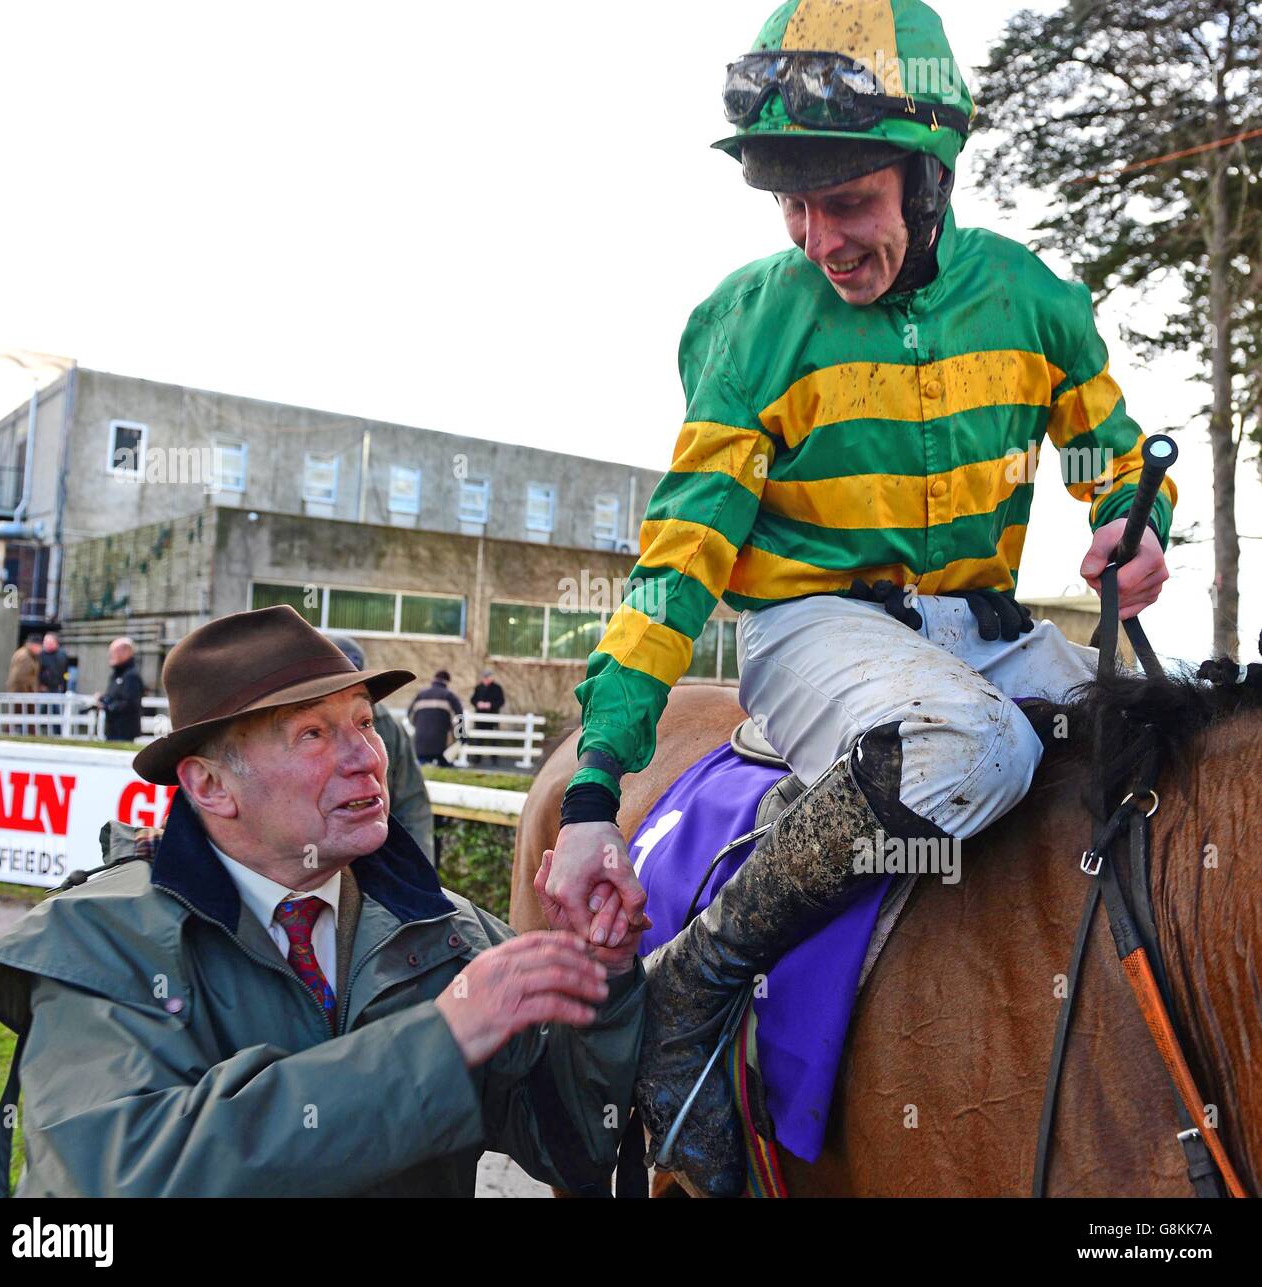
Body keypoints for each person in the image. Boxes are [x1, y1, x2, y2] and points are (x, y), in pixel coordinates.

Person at [542, 0, 1177, 1195]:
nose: (817, 237)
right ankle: (699, 977)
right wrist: (591, 787)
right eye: (791, 205)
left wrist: (1132, 531)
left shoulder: (1037, 300)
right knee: (974, 749)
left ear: (929, 181)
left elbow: (1114, 465)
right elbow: (678, 564)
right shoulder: (749, 324)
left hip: (989, 631)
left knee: (1191, 742)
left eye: (847, 202)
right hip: (813, 631)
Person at [0, 606, 646, 1197]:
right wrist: (436, 1044)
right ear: (209, 785)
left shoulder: (443, 929)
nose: (366, 757)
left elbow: (577, 1147)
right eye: (314, 735)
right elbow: (122, 1177)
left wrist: (605, 978)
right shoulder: (100, 936)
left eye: (364, 720)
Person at [331, 634, 436, 861]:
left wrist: (418, 871)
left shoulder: (388, 725)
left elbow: (412, 802)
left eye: (365, 723)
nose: (368, 759)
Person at [409, 669, 463, 767]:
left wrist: (419, 727)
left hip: (420, 743)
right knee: (443, 765)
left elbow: (409, 716)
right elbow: (460, 717)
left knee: (421, 768)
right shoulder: (449, 695)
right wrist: (461, 736)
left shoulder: (421, 695)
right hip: (441, 745)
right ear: (447, 681)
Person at [95, 636, 143, 742]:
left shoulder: (131, 676)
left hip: (123, 731)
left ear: (126, 652)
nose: (111, 656)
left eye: (114, 652)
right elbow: (114, 696)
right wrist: (103, 699)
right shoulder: (116, 675)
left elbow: (130, 703)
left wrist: (108, 706)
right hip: (112, 729)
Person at [5, 636, 41, 736]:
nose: (40, 649)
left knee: (18, 716)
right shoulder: (25, 656)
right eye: (39, 646)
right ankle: (30, 736)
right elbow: (21, 678)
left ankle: (13, 733)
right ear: (34, 645)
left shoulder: (27, 654)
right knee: (21, 716)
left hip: (22, 692)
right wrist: (27, 694)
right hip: (22, 692)